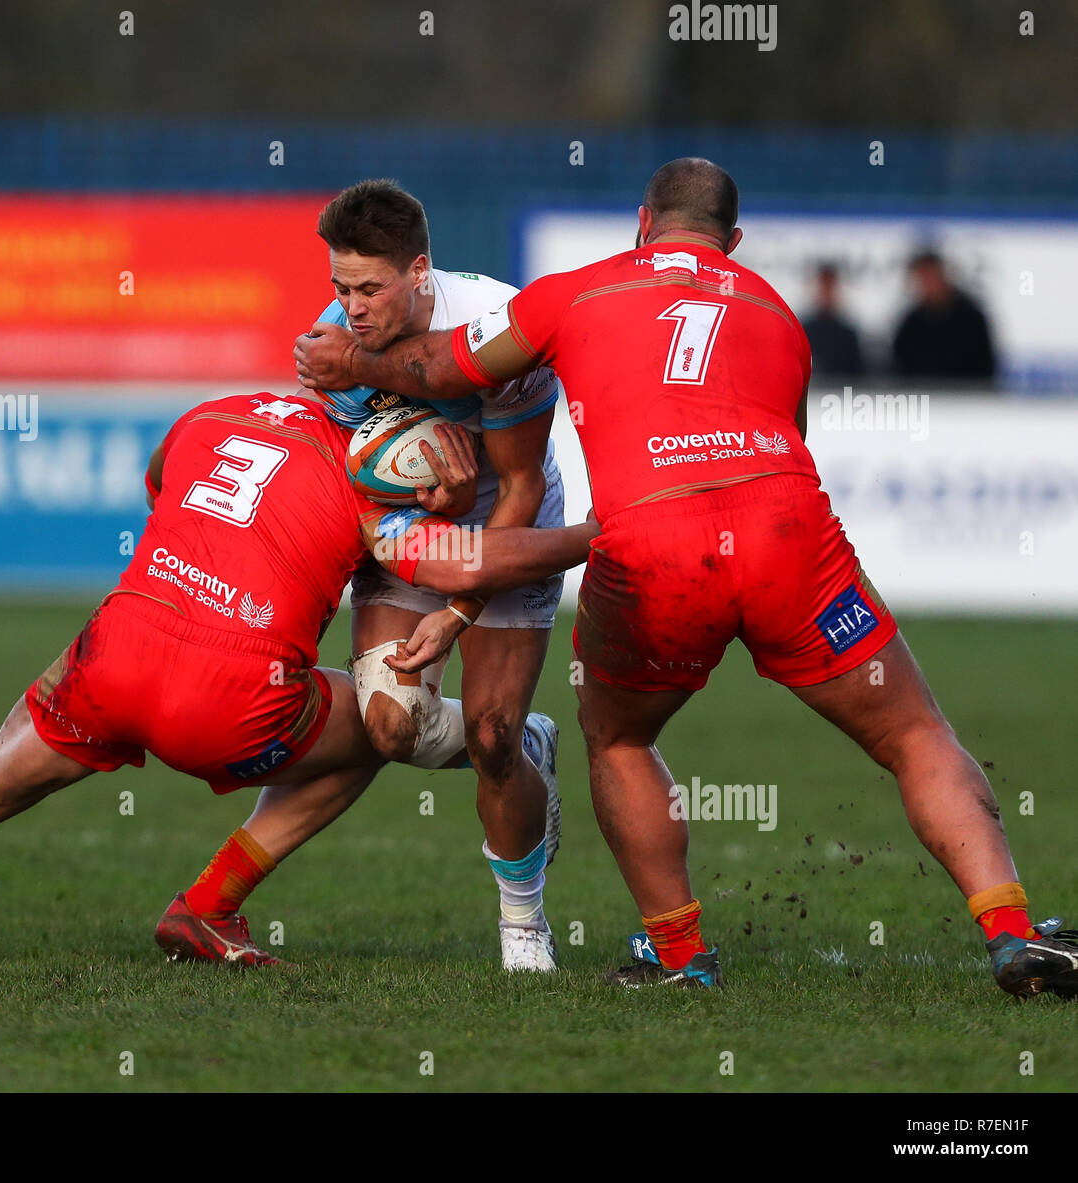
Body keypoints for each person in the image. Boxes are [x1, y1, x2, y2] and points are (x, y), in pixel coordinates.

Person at [293, 159, 1077, 999]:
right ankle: (1011, 932)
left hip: (654, 546)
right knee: (917, 734)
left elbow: (442, 370)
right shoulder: (778, 310)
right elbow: (793, 438)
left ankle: (680, 955)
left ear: (641, 220)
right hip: (788, 534)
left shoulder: (575, 291)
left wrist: (354, 364)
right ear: (732, 243)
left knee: (622, 740)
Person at [0, 394, 595, 968]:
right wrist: (581, 535)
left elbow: (162, 477)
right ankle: (208, 903)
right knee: (381, 722)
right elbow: (469, 563)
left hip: (115, 649)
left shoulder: (213, 413)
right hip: (231, 696)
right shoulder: (370, 496)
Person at [308, 180, 568, 971]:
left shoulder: (499, 330)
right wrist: (414, 498)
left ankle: (522, 923)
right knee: (390, 724)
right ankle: (534, 744)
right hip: (411, 526)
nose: (351, 309)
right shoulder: (330, 345)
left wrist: (458, 607)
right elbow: (350, 477)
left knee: (489, 738)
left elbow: (519, 488)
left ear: (420, 271)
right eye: (340, 288)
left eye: (370, 288)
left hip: (509, 523)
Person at [892, 249, 996, 381]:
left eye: (931, 276)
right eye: (922, 279)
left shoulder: (972, 320)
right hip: (923, 396)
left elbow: (984, 367)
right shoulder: (911, 324)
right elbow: (900, 368)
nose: (927, 285)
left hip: (966, 397)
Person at [801, 261, 865, 378]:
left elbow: (857, 378)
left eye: (830, 287)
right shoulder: (802, 334)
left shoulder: (848, 336)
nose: (826, 293)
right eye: (823, 287)